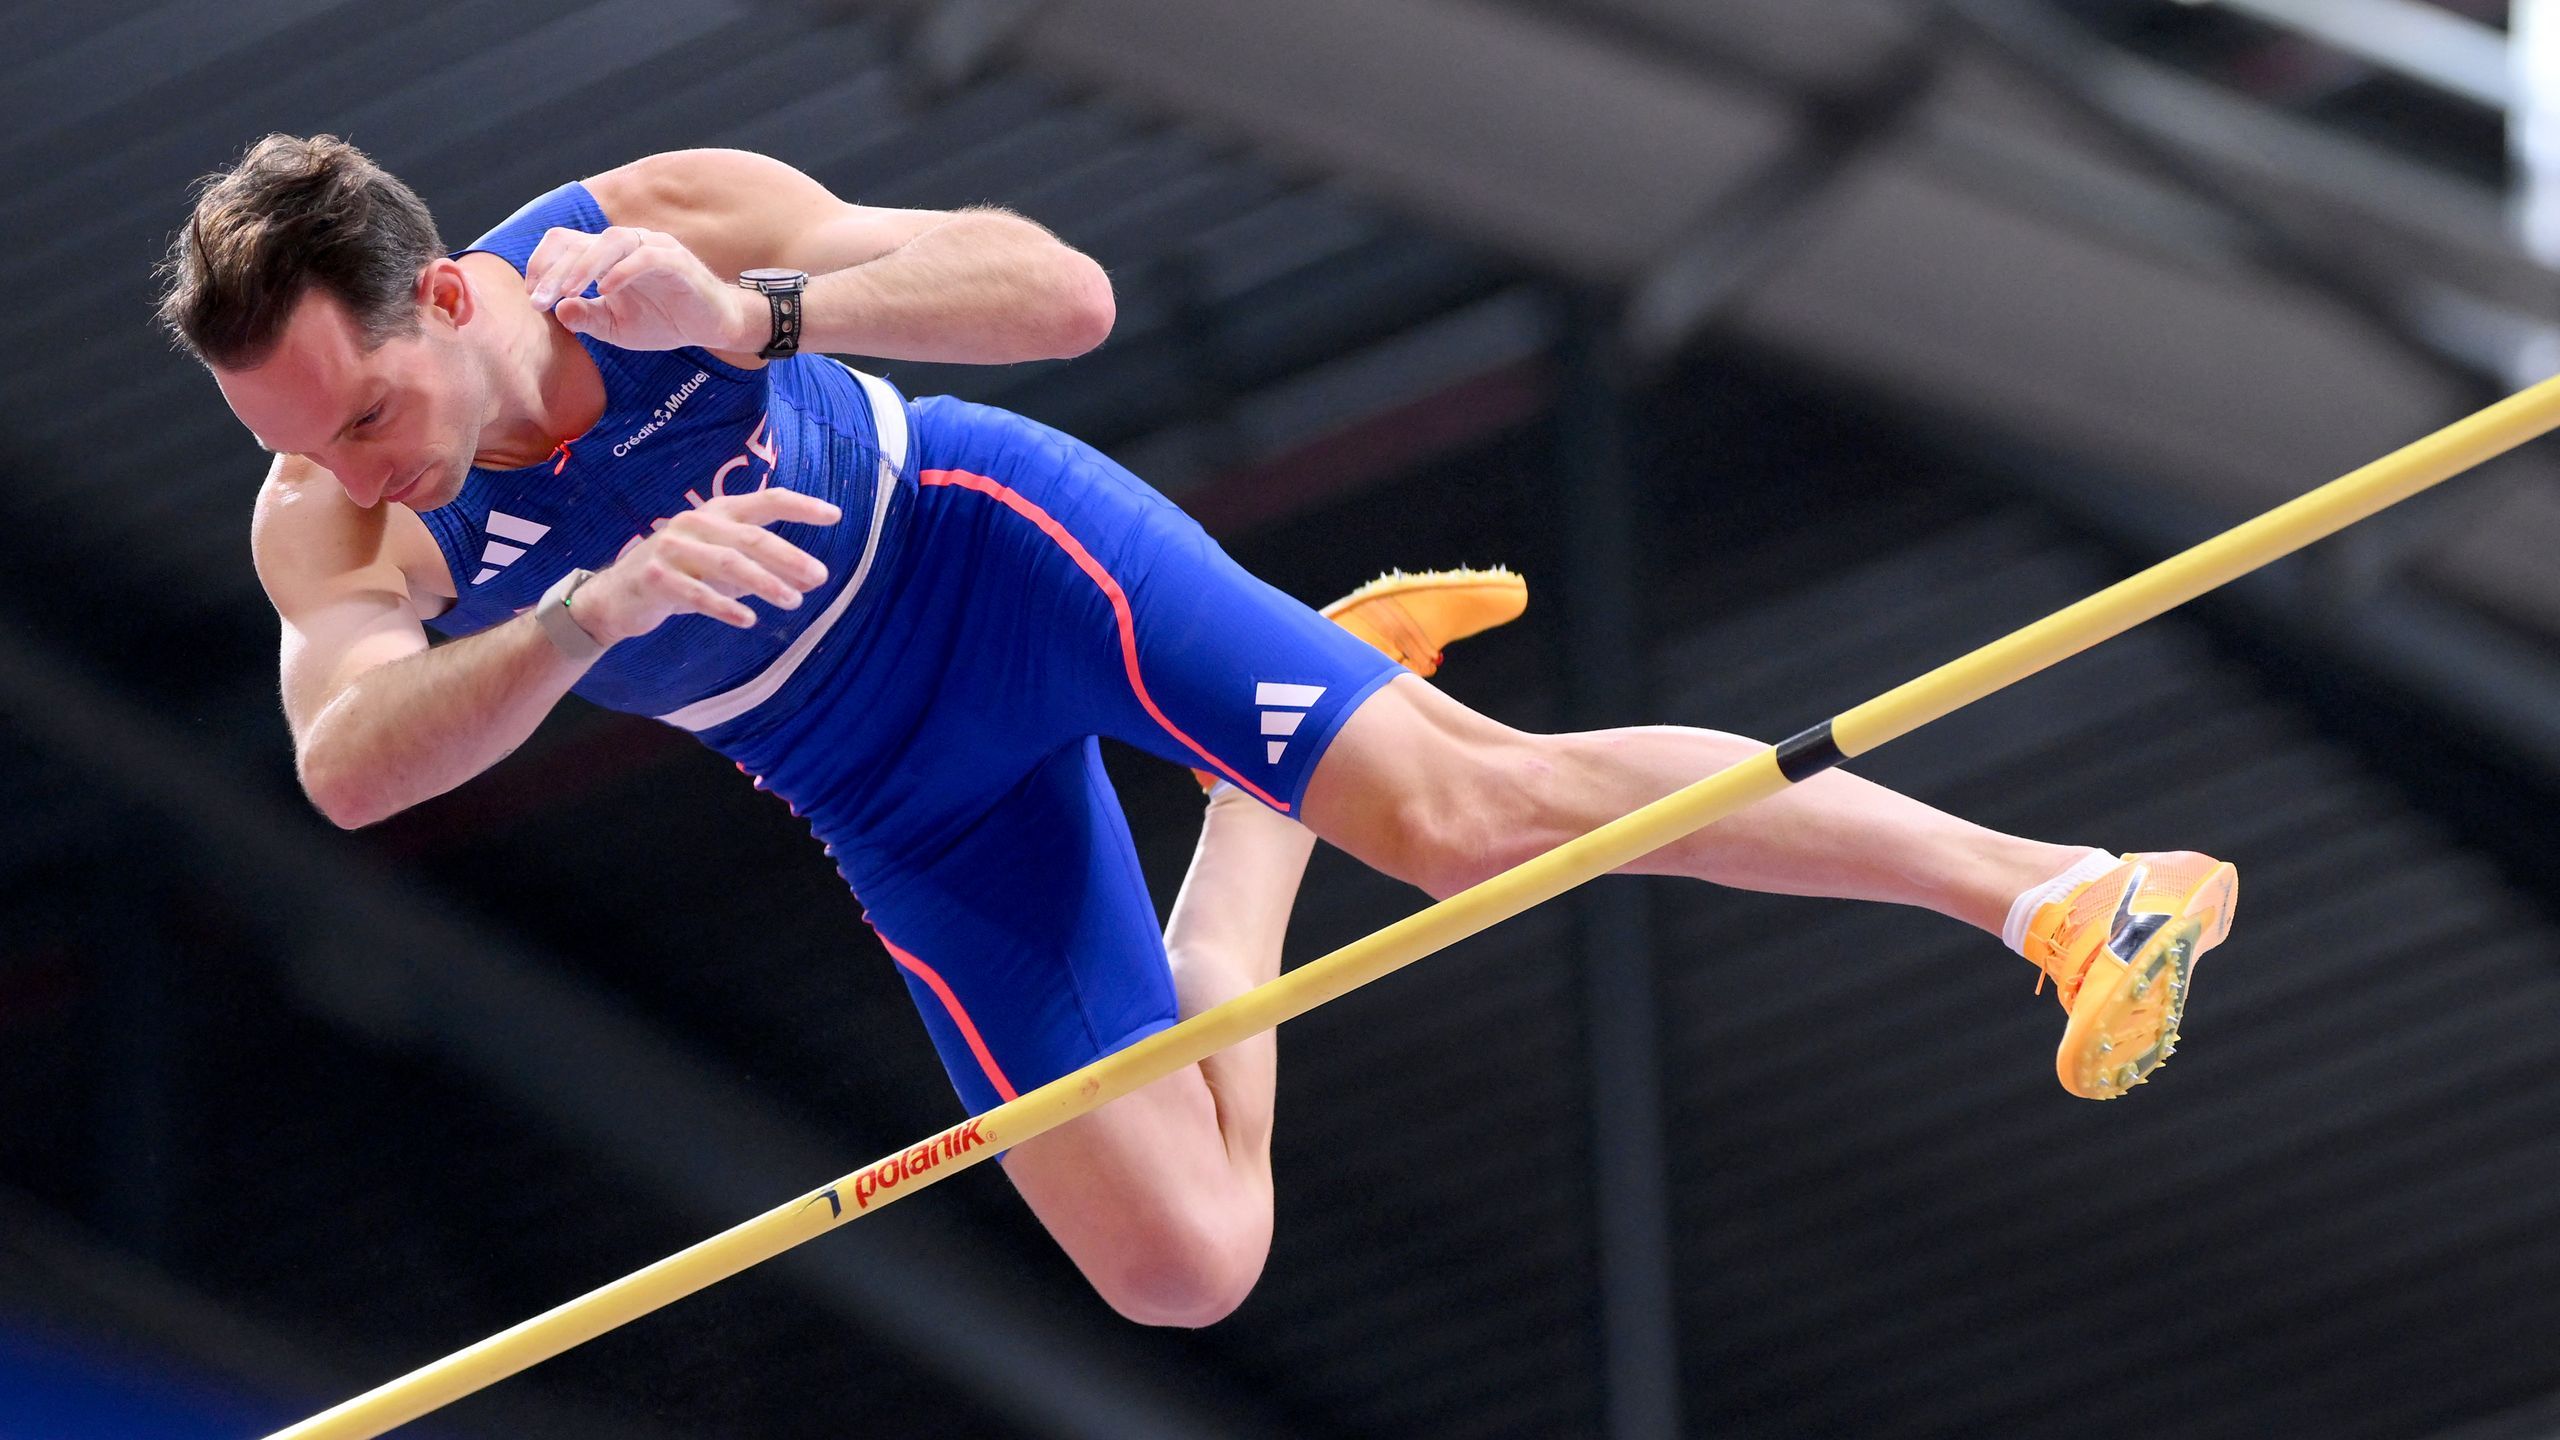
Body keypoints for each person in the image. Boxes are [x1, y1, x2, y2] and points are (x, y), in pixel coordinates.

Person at [158, 135, 2239, 1328]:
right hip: (878, 784)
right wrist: (578, 621)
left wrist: (759, 321)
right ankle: (1264, 820)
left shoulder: (656, 234)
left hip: (991, 549)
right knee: (1182, 1266)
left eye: (364, 412)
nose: (360, 471)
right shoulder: (334, 514)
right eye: (291, 441)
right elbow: (353, 767)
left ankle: (2052, 893)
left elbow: (1053, 297)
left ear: (442, 303)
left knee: (1461, 816)